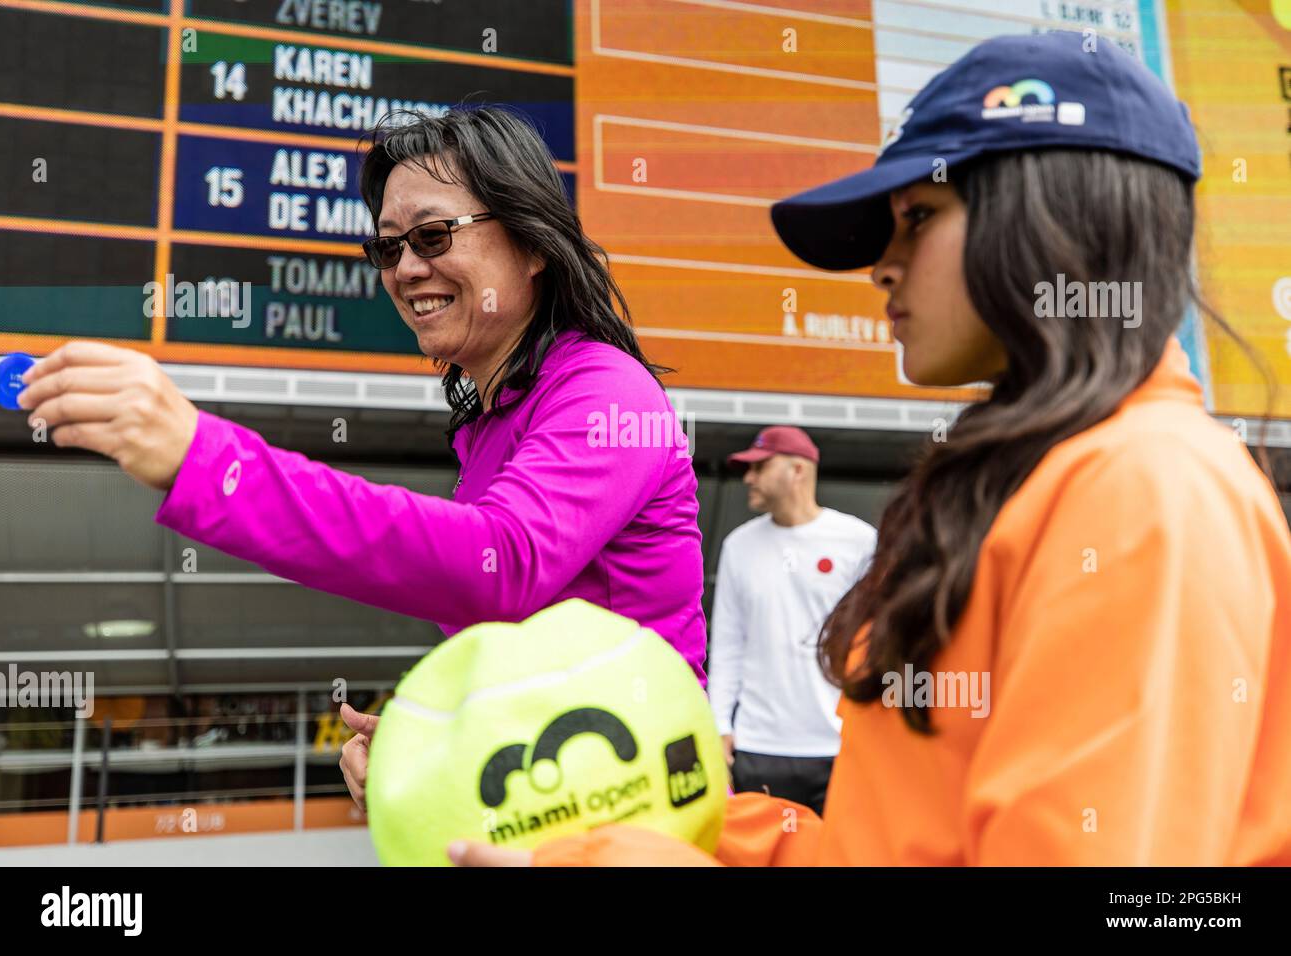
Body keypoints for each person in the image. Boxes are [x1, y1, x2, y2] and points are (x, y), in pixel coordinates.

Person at [447, 31, 1291, 867]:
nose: (881, 268)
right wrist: (577, 823)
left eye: (919, 218)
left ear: (1062, 217)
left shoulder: (1144, 487)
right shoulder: (1057, 478)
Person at [14, 107, 709, 808]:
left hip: (641, 821)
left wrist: (206, 462)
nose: (407, 268)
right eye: (387, 248)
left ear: (532, 245)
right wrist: (431, 738)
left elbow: (500, 563)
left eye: (433, 235)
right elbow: (529, 652)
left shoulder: (608, 391)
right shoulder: (489, 424)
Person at [710, 425, 875, 816]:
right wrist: (719, 726)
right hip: (759, 746)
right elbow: (728, 643)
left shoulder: (859, 541)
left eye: (760, 467)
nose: (748, 478)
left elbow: (875, 642)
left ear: (797, 470)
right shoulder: (739, 546)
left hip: (837, 745)